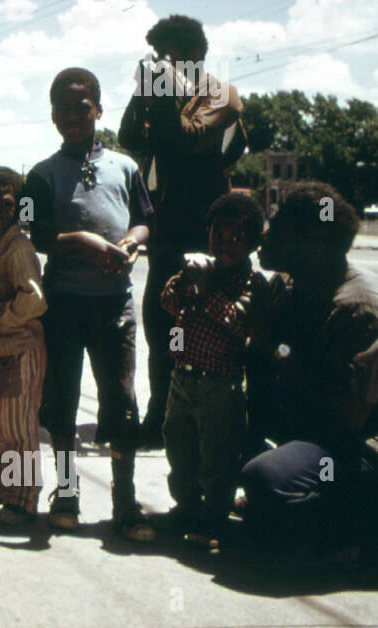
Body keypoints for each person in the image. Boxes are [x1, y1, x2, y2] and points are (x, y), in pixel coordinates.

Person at [23, 68, 156, 542]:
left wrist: (131, 243)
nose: (73, 115)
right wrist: (81, 242)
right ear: (52, 116)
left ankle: (125, 501)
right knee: (61, 403)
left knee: (120, 402)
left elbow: (144, 220)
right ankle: (65, 492)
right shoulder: (40, 175)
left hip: (114, 306)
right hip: (63, 305)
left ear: (99, 108)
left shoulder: (126, 166)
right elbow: (33, 235)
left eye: (83, 105)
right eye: (63, 107)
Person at [118, 14, 245, 449]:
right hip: (168, 230)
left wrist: (165, 93)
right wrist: (144, 94)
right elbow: (129, 137)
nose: (160, 65)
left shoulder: (221, 95)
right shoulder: (162, 93)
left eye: (167, 57)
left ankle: (203, 422)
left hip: (209, 235)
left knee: (206, 328)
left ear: (193, 56)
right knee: (161, 325)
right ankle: (161, 415)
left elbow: (190, 138)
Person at [240, 183, 378, 564]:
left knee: (266, 478)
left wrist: (273, 347)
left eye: (279, 231)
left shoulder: (359, 308)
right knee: (213, 434)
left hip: (354, 450)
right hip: (311, 431)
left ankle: (355, 529)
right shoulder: (287, 285)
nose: (264, 238)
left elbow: (349, 417)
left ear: (315, 247)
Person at [158, 192, 268, 552]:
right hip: (182, 377)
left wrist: (208, 293)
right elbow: (168, 301)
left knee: (218, 459)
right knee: (180, 449)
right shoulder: (200, 268)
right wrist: (185, 282)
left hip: (220, 385)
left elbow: (239, 324)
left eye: (237, 238)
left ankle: (213, 519)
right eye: (219, 236)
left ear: (252, 243)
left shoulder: (252, 283)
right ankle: (187, 506)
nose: (226, 245)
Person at [0, 166, 47, 526]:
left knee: (17, 427)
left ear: (18, 205)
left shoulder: (18, 247)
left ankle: (22, 499)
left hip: (18, 349)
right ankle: (4, 483)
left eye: (5, 202)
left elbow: (34, 300)